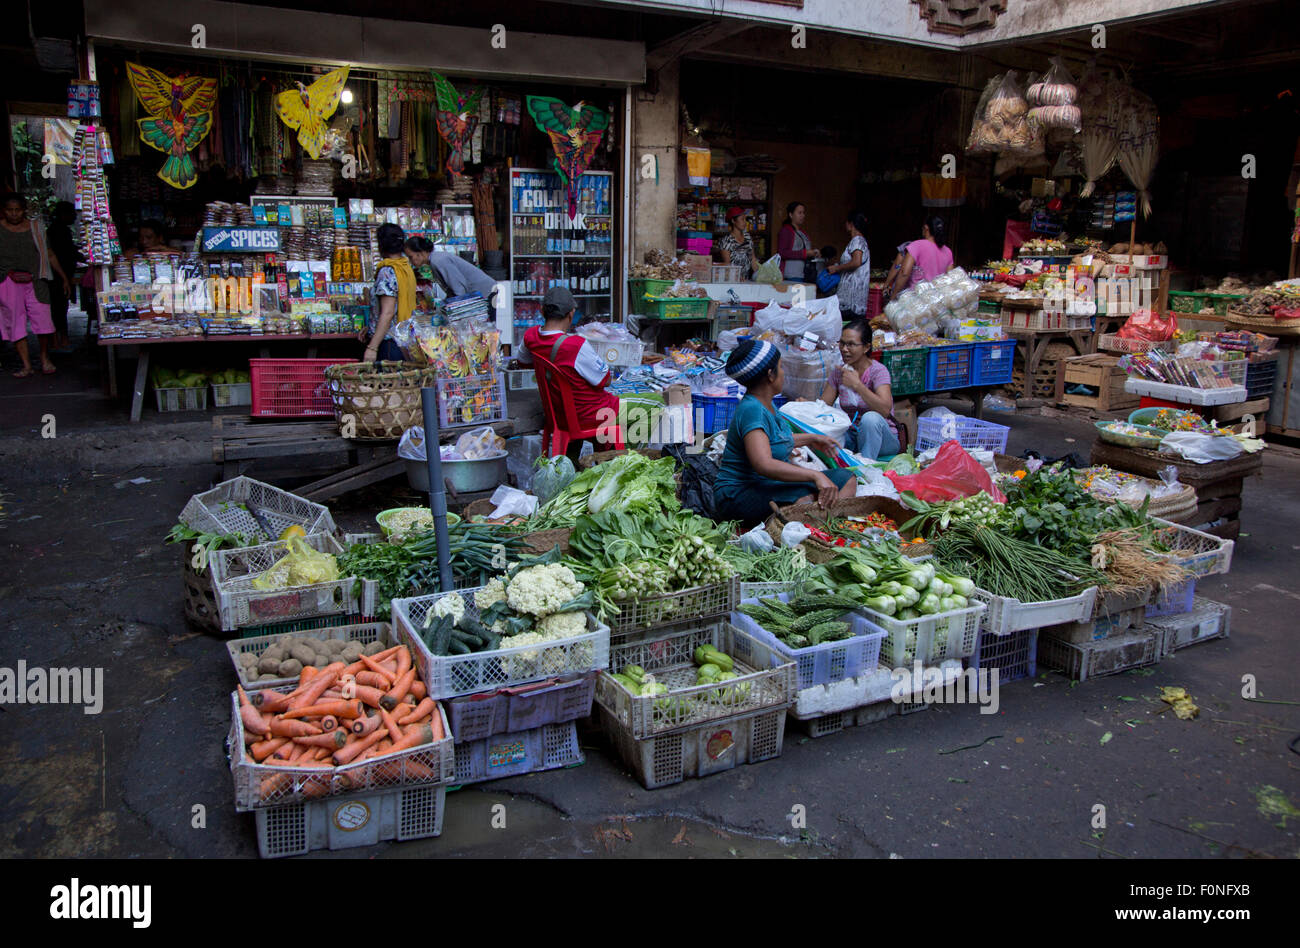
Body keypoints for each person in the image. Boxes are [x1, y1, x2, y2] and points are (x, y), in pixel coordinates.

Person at [714, 338, 857, 527]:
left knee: (847, 479)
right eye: (781, 368)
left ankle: (829, 527)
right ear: (770, 376)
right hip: (739, 493)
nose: (784, 373)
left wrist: (812, 439)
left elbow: (774, 441)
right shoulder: (752, 410)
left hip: (767, 484)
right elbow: (763, 464)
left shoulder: (767, 403)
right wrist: (815, 475)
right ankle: (817, 531)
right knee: (805, 499)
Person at [517, 286, 619, 463]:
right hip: (591, 415)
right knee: (652, 405)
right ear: (571, 314)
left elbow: (522, 361)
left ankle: (576, 462)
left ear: (542, 311)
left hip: (558, 414)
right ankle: (620, 462)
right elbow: (606, 380)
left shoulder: (530, 336)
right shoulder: (576, 346)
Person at [0, 193, 70, 377]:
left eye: (17, 210)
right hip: (7, 280)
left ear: (24, 210)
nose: (14, 214)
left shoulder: (36, 228)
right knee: (15, 322)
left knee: (43, 319)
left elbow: (49, 253)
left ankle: (44, 357)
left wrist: (63, 277)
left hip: (36, 279)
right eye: (10, 210)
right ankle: (26, 364)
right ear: (4, 211)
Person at [820, 319, 900, 460]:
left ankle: (865, 468)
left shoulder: (878, 371)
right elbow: (823, 406)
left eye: (851, 345)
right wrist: (805, 406)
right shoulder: (839, 373)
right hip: (853, 435)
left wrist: (857, 385)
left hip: (883, 439)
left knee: (870, 419)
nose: (844, 349)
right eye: (842, 343)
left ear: (866, 347)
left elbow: (885, 410)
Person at [361, 222, 416, 362]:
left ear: (381, 245)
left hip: (389, 343)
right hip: (404, 340)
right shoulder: (405, 267)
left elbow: (388, 312)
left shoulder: (387, 271)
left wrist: (372, 347)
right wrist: (371, 327)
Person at [404, 235, 498, 304]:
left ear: (420, 252)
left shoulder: (438, 261)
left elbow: (459, 288)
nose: (411, 261)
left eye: (411, 257)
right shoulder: (435, 260)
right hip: (481, 295)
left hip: (487, 294)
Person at [47, 201, 79, 352]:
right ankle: (59, 340)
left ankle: (58, 340)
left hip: (60, 274)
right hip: (58, 275)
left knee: (58, 308)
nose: (74, 216)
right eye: (72, 213)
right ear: (63, 215)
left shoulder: (57, 229)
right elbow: (67, 253)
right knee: (58, 309)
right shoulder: (59, 231)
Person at [826, 212, 871, 316]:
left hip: (851, 297)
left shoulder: (857, 240)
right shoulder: (860, 241)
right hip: (854, 297)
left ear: (851, 224)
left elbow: (856, 262)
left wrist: (837, 268)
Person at [897, 215, 955, 292]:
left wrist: (893, 297)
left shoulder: (916, 245)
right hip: (937, 298)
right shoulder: (948, 251)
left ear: (926, 228)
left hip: (916, 298)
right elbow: (950, 278)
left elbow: (904, 273)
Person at [777, 202, 817, 282]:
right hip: (791, 275)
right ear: (791, 215)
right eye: (799, 213)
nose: (803, 215)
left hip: (804, 274)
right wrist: (804, 253)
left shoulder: (803, 233)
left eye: (803, 213)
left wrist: (813, 253)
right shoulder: (786, 231)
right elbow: (782, 253)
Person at [716, 207, 759, 279]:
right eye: (742, 219)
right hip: (732, 280)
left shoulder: (747, 237)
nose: (745, 222)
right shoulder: (726, 241)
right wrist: (737, 277)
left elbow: (753, 259)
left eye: (745, 219)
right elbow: (727, 264)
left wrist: (760, 274)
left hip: (746, 280)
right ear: (733, 221)